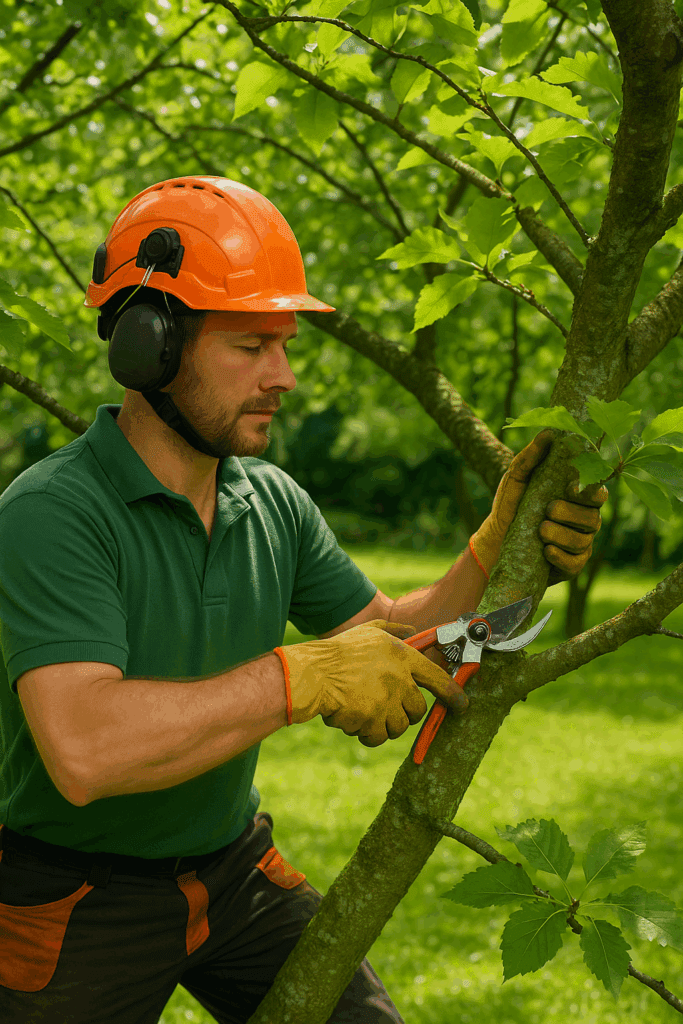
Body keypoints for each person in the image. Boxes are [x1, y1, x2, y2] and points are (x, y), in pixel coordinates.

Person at [0, 176, 605, 1023]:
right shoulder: (52, 512)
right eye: (250, 346)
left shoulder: (270, 500)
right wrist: (299, 677)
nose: (282, 376)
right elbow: (84, 749)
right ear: (150, 345)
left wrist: (494, 547)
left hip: (234, 872)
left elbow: (393, 636)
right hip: (73, 896)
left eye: (283, 345)